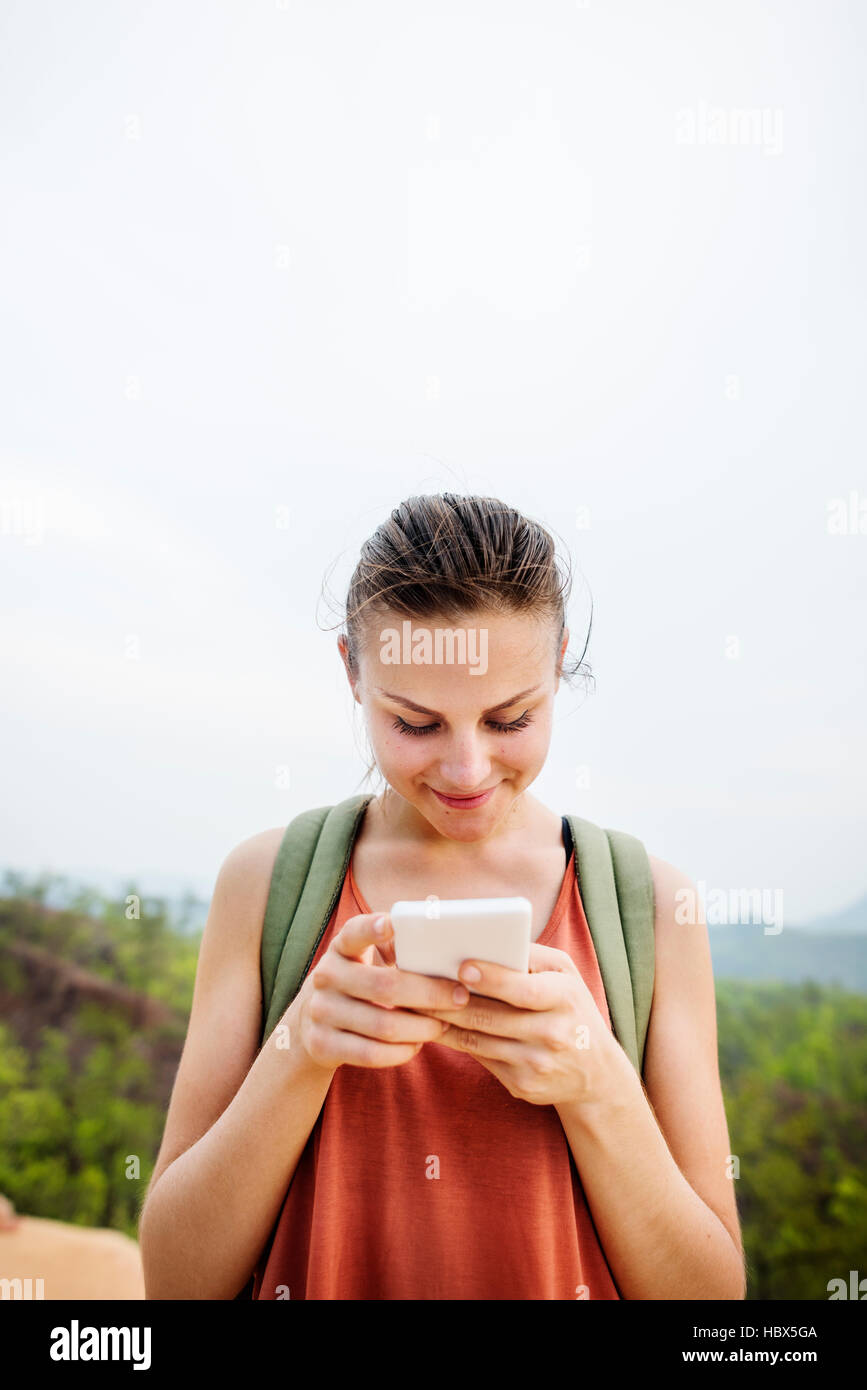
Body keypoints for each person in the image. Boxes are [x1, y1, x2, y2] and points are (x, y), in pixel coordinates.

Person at [138, 493, 746, 1300]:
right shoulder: (266, 886)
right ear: (353, 671)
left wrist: (598, 1083)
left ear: (559, 661)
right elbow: (177, 1283)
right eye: (416, 724)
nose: (466, 772)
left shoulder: (648, 907)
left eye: (510, 718)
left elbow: (711, 1300)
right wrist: (301, 1050)